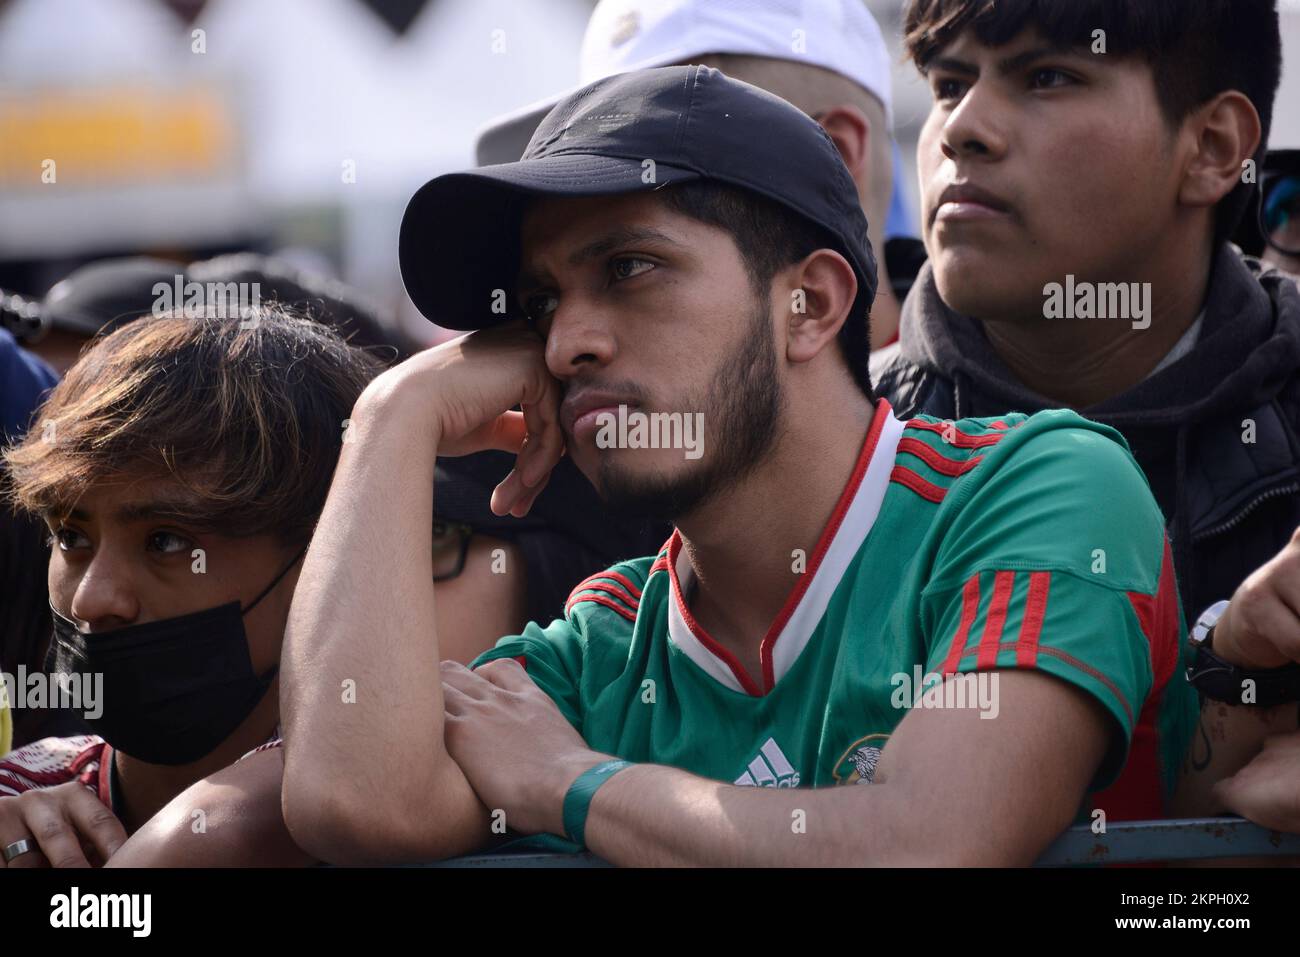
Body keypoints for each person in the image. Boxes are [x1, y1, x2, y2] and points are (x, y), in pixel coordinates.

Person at [279, 65, 1196, 867]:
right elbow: (355, 802)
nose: (564, 344)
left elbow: (929, 843)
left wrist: (575, 784)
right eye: (541, 301)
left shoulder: (1038, 487)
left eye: (630, 267)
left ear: (811, 303)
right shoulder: (607, 638)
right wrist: (388, 419)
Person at [874, 0, 1300, 825]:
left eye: (1047, 77)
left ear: (1213, 148)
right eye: (949, 82)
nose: (963, 129)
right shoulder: (828, 440)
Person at [0, 306, 384, 868]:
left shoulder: (420, 795)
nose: (92, 600)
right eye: (71, 536)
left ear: (324, 556)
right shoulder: (18, 798)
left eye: (165, 542)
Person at [474, 0, 919, 349]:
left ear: (833, 158)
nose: (563, 343)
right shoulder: (538, 437)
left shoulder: (981, 440)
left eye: (667, 149)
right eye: (589, 162)